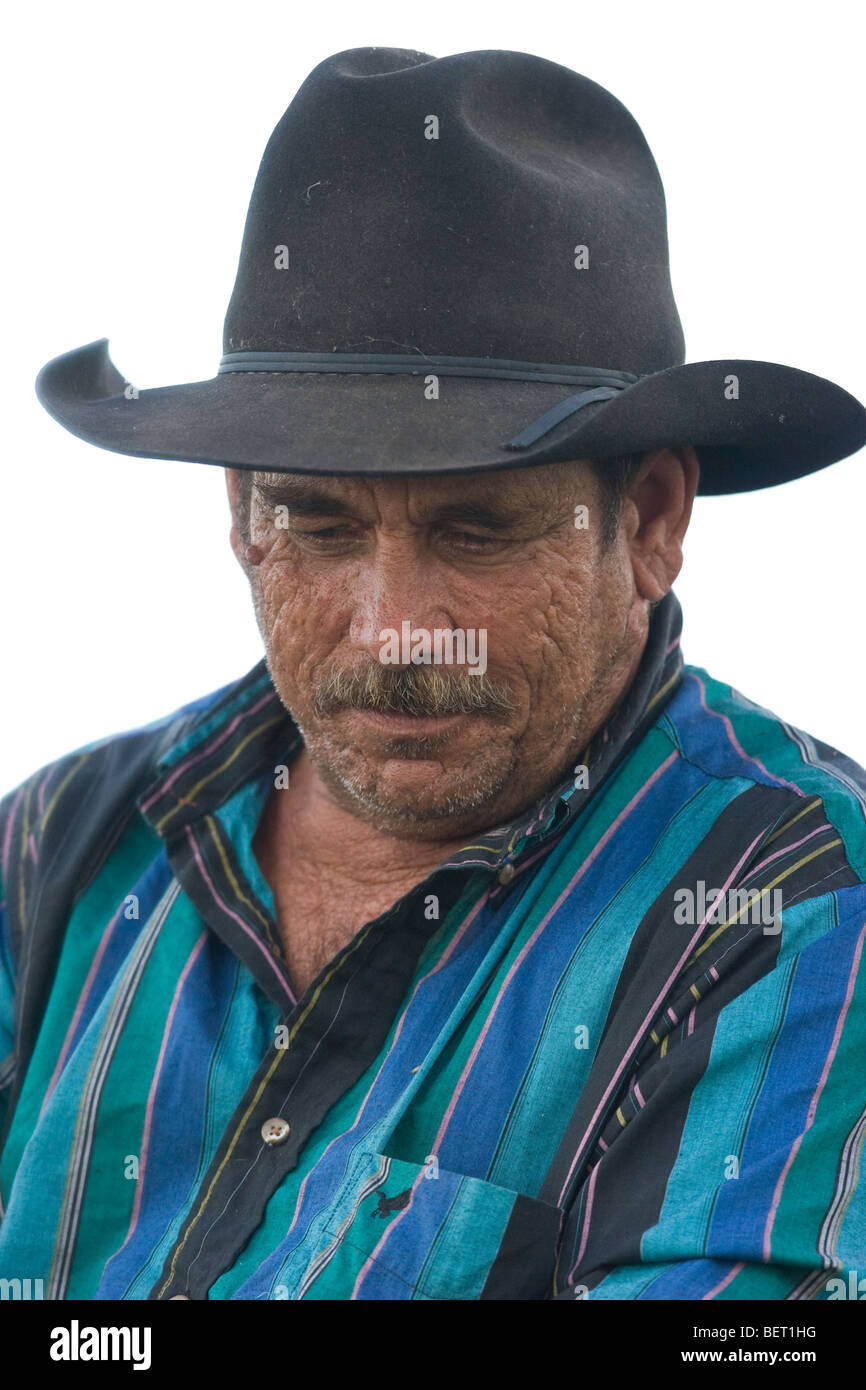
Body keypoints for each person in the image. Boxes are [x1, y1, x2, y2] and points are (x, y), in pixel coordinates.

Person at [1, 46, 864, 1302]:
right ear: (241, 513)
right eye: (319, 524)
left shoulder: (794, 910)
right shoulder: (62, 847)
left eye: (477, 530)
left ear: (655, 517)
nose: (395, 630)